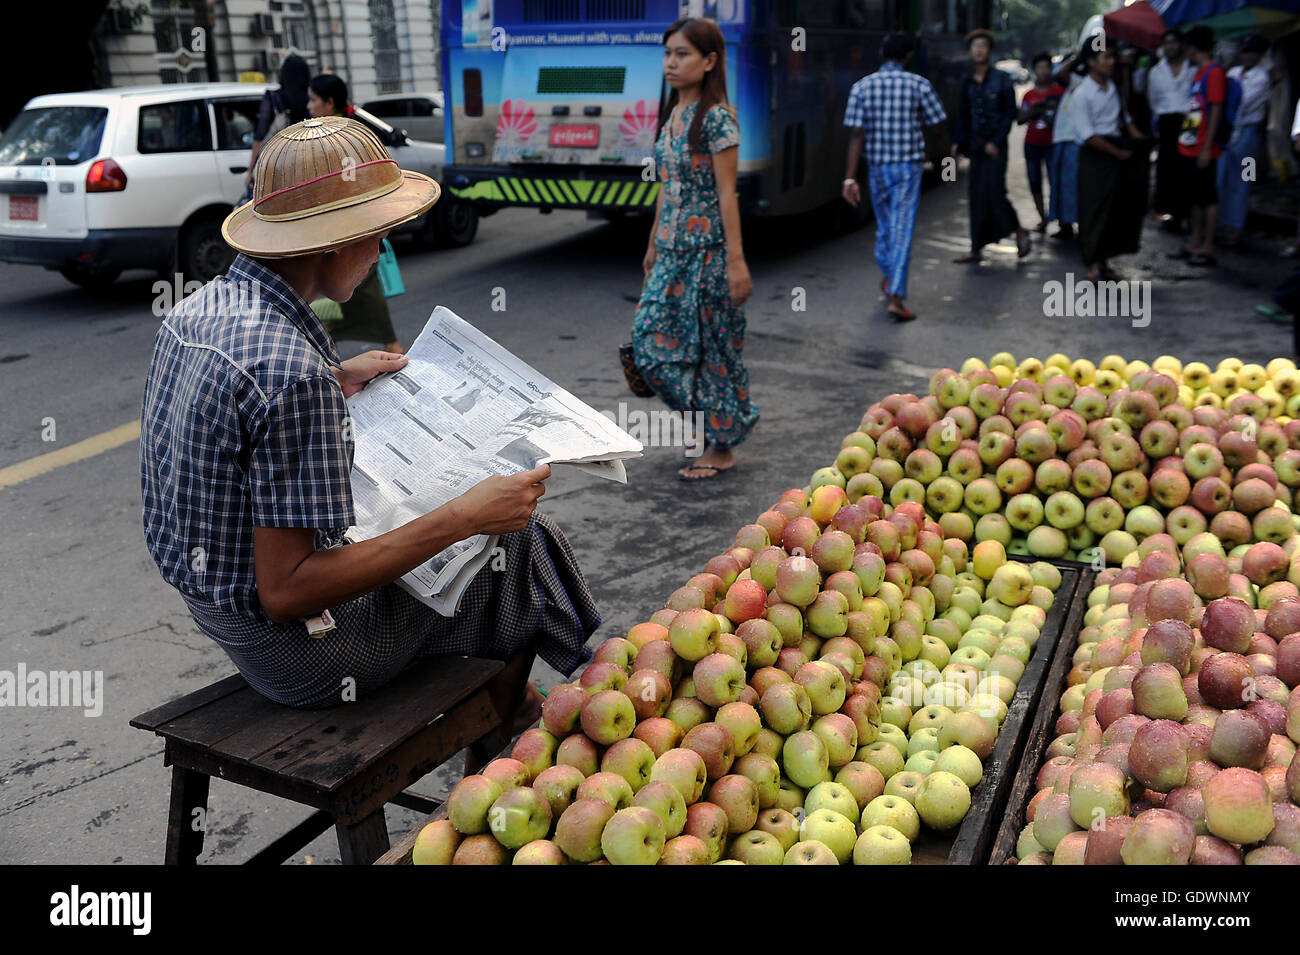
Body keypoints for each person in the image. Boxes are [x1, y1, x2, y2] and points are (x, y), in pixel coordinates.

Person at [139, 115, 600, 733]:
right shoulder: (290, 372)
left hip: (216, 610)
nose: (383, 251)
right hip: (299, 652)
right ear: (333, 240)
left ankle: (508, 712)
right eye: (376, 234)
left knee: (489, 542)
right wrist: (462, 517)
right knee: (517, 546)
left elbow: (234, 419)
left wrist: (334, 378)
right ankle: (511, 727)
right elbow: (288, 591)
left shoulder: (204, 307)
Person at [633, 17, 758, 481]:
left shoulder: (717, 119)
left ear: (709, 62)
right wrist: (652, 243)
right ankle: (718, 423)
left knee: (711, 349)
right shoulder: (672, 116)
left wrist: (737, 261)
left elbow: (728, 194)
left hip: (707, 255)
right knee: (651, 345)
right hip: (669, 253)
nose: (671, 62)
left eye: (682, 54)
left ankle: (720, 444)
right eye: (668, 53)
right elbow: (668, 186)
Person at [841, 31, 948, 321]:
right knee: (902, 231)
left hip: (876, 168)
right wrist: (945, 158)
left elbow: (856, 134)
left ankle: (890, 279)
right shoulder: (919, 85)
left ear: (882, 53)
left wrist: (849, 178)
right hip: (907, 168)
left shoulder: (863, 87)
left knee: (886, 228)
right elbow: (937, 125)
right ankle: (897, 297)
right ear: (907, 56)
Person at [305, 72, 405, 354]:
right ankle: (329, 352)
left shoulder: (345, 134)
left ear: (329, 102)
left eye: (313, 100)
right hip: (337, 231)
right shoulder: (324, 132)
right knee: (334, 294)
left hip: (356, 229)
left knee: (363, 286)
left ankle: (393, 350)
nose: (309, 106)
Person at [952, 29, 1030, 263]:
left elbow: (1009, 114)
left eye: (983, 46)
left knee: (995, 192)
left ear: (990, 51)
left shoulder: (1002, 80)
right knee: (976, 195)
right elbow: (963, 115)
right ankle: (976, 248)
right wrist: (957, 142)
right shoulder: (966, 81)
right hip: (975, 147)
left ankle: (1018, 230)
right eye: (974, 46)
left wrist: (996, 142)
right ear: (969, 51)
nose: (978, 50)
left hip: (996, 148)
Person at [1074, 40, 1148, 281]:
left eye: (1112, 57)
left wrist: (1142, 143)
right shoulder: (1082, 94)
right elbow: (1088, 136)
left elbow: (1125, 121)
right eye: (1106, 57)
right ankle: (1089, 263)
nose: (1111, 62)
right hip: (1095, 156)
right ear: (1091, 62)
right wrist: (1117, 153)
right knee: (1093, 210)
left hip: (1117, 150)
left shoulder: (1113, 88)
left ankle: (1105, 260)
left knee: (1114, 210)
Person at [1172, 26, 1227, 268]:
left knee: (1208, 198)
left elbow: (1216, 109)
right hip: (1192, 145)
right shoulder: (1200, 73)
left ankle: (1207, 246)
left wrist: (1206, 146)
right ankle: (1195, 241)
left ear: (1192, 48)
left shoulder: (1214, 73)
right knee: (1195, 197)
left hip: (1205, 146)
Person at [1217, 34, 1273, 247]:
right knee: (1222, 177)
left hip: (1249, 136)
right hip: (1228, 132)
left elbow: (1243, 102)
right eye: (1245, 51)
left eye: (1253, 52)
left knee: (1242, 180)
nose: (1248, 56)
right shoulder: (1233, 73)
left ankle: (1236, 227)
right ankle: (1221, 224)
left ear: (1259, 55)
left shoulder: (1262, 77)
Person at [1146, 30, 1193, 232]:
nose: (1170, 46)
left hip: (1190, 121)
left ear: (1181, 45)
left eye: (1173, 42)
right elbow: (1153, 100)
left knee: (1188, 168)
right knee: (1166, 169)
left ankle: (1188, 214)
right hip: (1166, 122)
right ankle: (1169, 214)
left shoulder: (1192, 69)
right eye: (1166, 43)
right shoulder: (1156, 72)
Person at [244, 55, 310, 196]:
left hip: (277, 163)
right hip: (305, 163)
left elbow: (260, 135)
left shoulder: (273, 97)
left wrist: (250, 170)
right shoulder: (312, 99)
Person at [1018, 52, 1064, 234]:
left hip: (1053, 143)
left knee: (1055, 181)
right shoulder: (1028, 95)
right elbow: (1020, 118)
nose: (1043, 71)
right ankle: (1042, 218)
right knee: (1034, 181)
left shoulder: (1059, 93)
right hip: (1032, 143)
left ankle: (1061, 220)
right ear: (1034, 70)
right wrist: (1035, 110)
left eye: (1046, 67)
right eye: (1040, 68)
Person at [1050, 51, 1084, 241]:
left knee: (1073, 184)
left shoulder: (1084, 82)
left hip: (1075, 139)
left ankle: (1075, 223)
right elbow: (1061, 73)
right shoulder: (1075, 81)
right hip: (1062, 138)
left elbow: (1061, 73)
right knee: (1060, 184)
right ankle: (1065, 224)